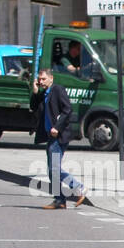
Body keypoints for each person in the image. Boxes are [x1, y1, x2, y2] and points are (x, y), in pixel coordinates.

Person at [30, 68, 87, 209]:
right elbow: (33, 106)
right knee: (51, 170)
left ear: (51, 78)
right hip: (51, 136)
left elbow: (67, 110)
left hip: (59, 135)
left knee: (54, 169)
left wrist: (57, 127)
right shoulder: (44, 94)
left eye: (44, 79)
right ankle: (59, 200)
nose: (41, 82)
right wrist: (35, 91)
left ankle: (78, 187)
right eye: (39, 79)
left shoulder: (58, 90)